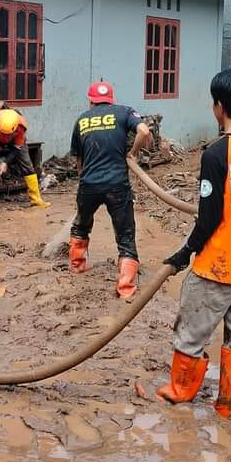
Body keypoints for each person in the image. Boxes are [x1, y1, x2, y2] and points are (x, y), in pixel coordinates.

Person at [157, 68, 231, 419]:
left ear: (219, 106)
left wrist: (184, 253)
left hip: (218, 264)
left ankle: (180, 391)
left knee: (191, 331)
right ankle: (228, 404)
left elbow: (208, 219)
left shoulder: (216, 154)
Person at [68, 81, 152, 299]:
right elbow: (144, 131)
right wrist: (133, 152)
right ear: (111, 99)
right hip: (117, 185)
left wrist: (85, 184)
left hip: (89, 184)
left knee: (81, 225)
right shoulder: (124, 112)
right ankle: (125, 289)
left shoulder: (82, 120)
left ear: (91, 100)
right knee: (125, 235)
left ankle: (77, 267)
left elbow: (79, 163)